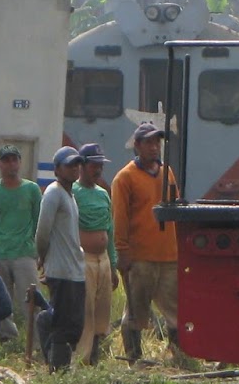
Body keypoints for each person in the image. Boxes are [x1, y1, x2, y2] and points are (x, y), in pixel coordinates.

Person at [111, 121, 182, 365]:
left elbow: (175, 207)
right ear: (137, 145)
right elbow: (120, 218)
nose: (154, 147)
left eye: (157, 142)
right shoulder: (125, 178)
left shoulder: (167, 172)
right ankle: (134, 357)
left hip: (169, 253)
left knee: (175, 309)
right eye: (149, 142)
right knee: (136, 308)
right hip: (140, 255)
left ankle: (179, 355)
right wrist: (122, 251)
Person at [0, 144, 42, 343]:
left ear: (20, 162)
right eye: (6, 160)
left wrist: (35, 247)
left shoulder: (31, 189)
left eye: (15, 159)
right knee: (2, 301)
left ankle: (38, 343)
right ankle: (7, 339)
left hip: (24, 253)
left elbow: (39, 219)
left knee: (32, 300)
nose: (11, 164)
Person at [34, 145, 86, 370]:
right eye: (69, 165)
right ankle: (57, 368)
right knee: (63, 325)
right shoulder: (54, 192)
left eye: (77, 164)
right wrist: (43, 259)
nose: (75, 169)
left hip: (74, 270)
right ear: (57, 169)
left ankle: (58, 362)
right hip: (61, 270)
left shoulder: (69, 194)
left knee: (74, 324)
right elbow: (43, 231)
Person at [70, 142, 119, 365]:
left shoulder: (103, 194)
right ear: (82, 166)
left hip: (103, 260)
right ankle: (82, 357)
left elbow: (109, 229)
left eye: (100, 165)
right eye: (93, 165)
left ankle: (96, 357)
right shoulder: (73, 193)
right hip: (84, 259)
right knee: (86, 310)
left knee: (102, 310)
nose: (98, 169)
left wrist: (114, 265)